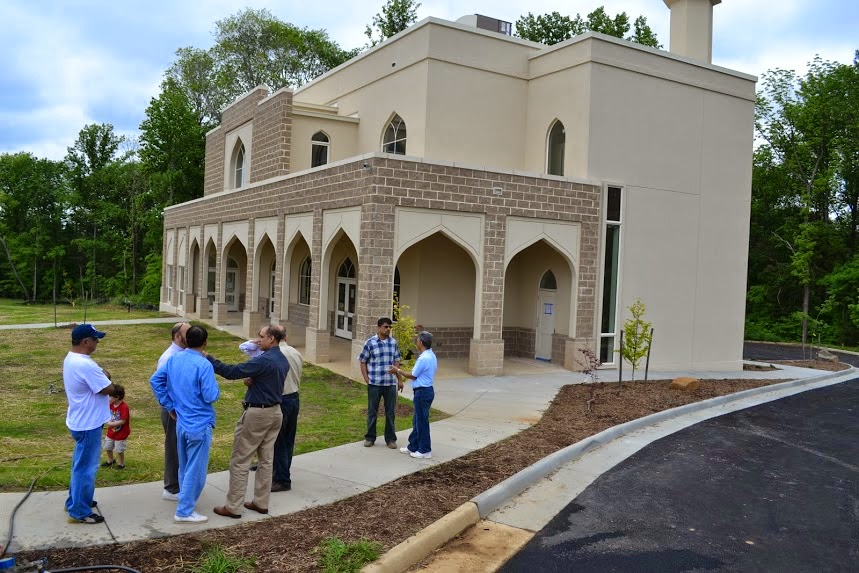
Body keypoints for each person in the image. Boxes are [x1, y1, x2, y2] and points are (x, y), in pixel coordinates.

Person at [206, 325, 289, 518]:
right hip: (276, 412)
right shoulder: (281, 359)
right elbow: (270, 381)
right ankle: (261, 503)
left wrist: (209, 359)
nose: (258, 340)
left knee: (240, 460)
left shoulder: (264, 360)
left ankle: (233, 507)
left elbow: (231, 372)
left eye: (261, 337)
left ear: (271, 338)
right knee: (266, 460)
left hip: (258, 414)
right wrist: (255, 381)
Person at [150, 325, 219, 524]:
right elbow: (210, 395)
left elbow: (155, 381)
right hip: (199, 423)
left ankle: (184, 501)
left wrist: (169, 404)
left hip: (180, 422)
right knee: (195, 470)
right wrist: (216, 390)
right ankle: (184, 511)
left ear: (186, 340)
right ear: (205, 343)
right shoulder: (204, 365)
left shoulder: (174, 360)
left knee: (184, 467)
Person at [236, 326, 302, 492]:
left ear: (275, 338)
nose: (260, 339)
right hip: (294, 398)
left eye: (263, 336)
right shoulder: (295, 352)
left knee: (277, 441)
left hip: (281, 399)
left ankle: (281, 478)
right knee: (287, 440)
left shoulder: (275, 356)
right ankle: (281, 471)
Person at [64, 323, 115, 525]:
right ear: (86, 342)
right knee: (86, 468)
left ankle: (74, 501)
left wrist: (103, 375)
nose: (97, 342)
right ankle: (79, 511)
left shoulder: (72, 359)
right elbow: (108, 388)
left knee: (79, 465)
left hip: (79, 420)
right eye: (95, 339)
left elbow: (102, 379)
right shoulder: (86, 365)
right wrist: (105, 377)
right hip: (88, 424)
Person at [155, 322, 189, 501]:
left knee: (181, 447)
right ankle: (171, 488)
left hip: (182, 409)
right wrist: (170, 408)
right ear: (177, 336)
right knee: (173, 447)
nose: (191, 335)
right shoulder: (168, 357)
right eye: (187, 333)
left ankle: (181, 483)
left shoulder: (183, 354)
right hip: (172, 411)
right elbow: (159, 385)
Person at [390, 331, 437, 459]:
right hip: (425, 391)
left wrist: (397, 370)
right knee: (417, 420)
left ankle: (425, 450)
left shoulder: (424, 358)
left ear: (421, 343)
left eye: (417, 340)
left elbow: (412, 375)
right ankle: (413, 446)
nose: (416, 342)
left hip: (422, 392)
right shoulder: (431, 355)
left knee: (421, 422)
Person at [358, 317, 402, 449]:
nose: (388, 329)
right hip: (374, 384)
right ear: (378, 328)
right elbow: (362, 361)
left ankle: (390, 439)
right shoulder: (370, 343)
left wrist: (399, 379)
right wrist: (366, 379)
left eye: (390, 327)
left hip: (389, 385)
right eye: (385, 327)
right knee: (372, 412)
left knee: (390, 413)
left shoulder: (393, 343)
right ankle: (370, 438)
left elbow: (397, 362)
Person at [101, 384, 130, 469]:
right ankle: (110, 460)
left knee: (119, 450)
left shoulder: (124, 407)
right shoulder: (110, 405)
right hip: (110, 433)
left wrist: (111, 424)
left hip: (120, 434)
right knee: (107, 447)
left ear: (117, 397)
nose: (108, 398)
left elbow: (123, 421)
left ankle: (121, 463)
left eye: (110, 396)